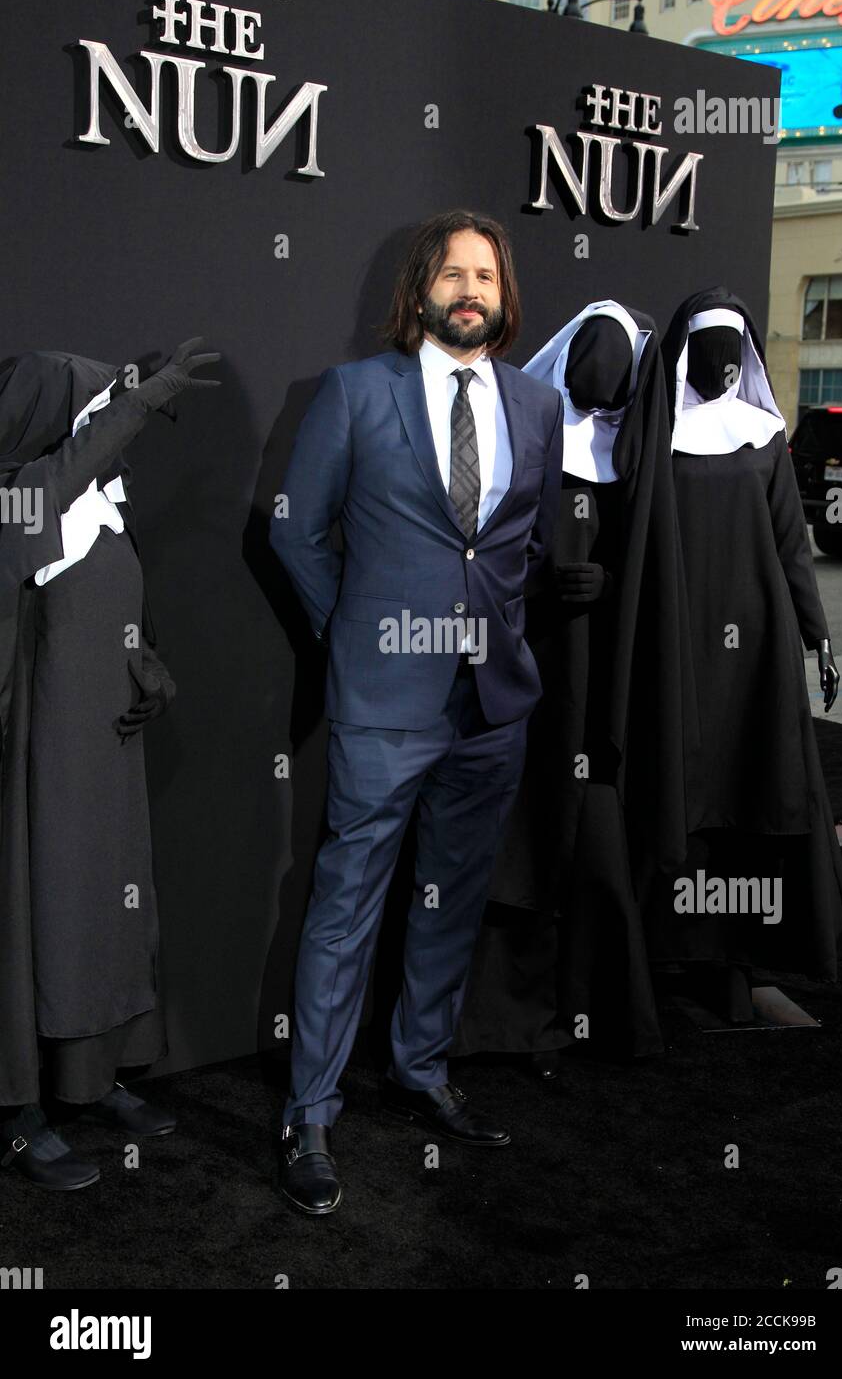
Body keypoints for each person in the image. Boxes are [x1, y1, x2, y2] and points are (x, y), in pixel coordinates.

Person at [270, 209, 564, 1215]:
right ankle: (307, 1110)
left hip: (490, 705)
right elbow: (296, 535)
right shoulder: (355, 393)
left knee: (450, 897)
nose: (470, 287)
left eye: (485, 272)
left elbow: (517, 550)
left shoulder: (535, 405)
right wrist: (353, 635)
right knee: (345, 906)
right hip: (385, 697)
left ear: (504, 292)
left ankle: (421, 1068)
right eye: (452, 272)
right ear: (420, 289)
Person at [0, 339, 220, 1190]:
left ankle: (91, 1082)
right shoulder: (20, 499)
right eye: (92, 421)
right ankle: (20, 1111)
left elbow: (115, 604)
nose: (112, 440)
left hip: (107, 752)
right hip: (38, 760)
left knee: (104, 913)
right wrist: (130, 402)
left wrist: (149, 668)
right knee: (37, 919)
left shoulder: (97, 503)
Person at [452, 300, 692, 1071]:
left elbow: (656, 572)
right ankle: (498, 1019)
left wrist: (613, 583)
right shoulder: (522, 433)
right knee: (518, 831)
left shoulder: (641, 459)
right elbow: (479, 548)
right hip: (530, 661)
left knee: (587, 830)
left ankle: (594, 1007)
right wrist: (545, 586)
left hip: (599, 680)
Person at [646, 288, 842, 1014]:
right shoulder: (656, 435)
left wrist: (819, 638)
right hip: (679, 639)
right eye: (708, 352)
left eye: (730, 351)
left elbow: (792, 547)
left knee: (750, 793)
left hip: (757, 647)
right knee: (688, 790)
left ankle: (738, 958)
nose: (722, 365)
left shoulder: (764, 435)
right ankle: (673, 948)